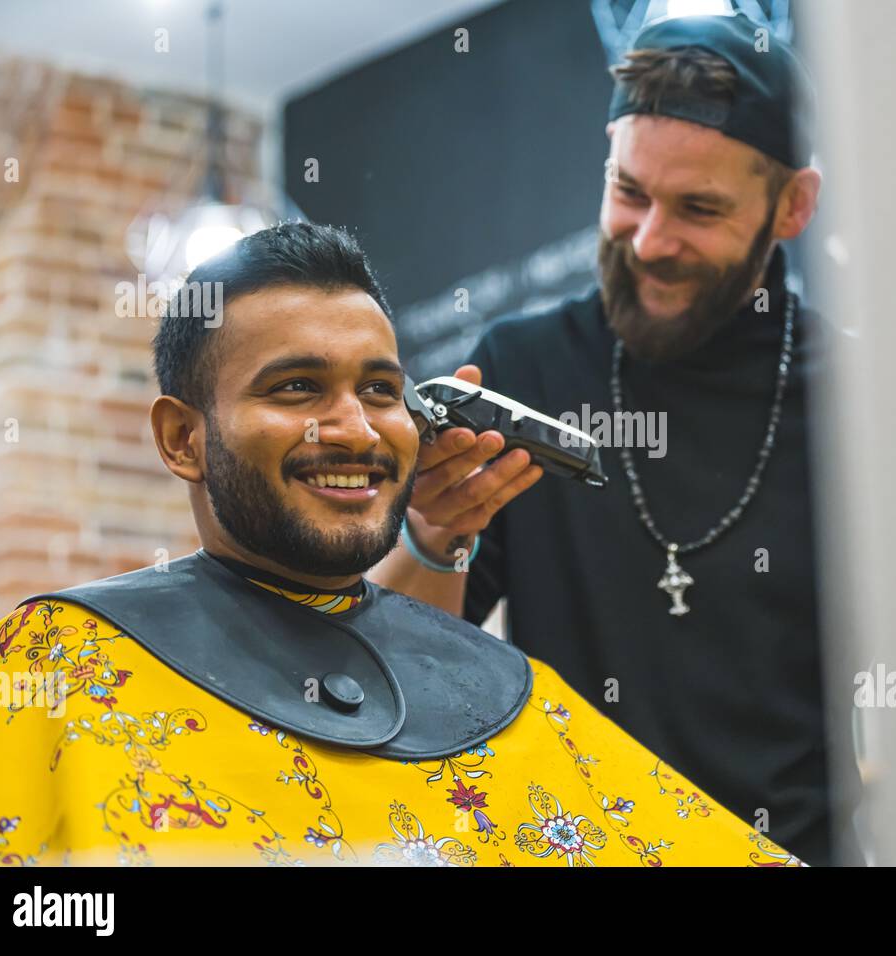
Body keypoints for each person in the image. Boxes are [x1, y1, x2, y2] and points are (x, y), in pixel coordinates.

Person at [0, 222, 802, 867]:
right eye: (296, 388)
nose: (355, 429)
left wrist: (436, 546)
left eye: (380, 389)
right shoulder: (58, 665)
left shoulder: (508, 688)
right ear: (184, 439)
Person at [369, 13, 862, 866]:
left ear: (793, 206)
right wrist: (431, 532)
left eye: (699, 209)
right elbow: (407, 674)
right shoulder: (523, 365)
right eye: (629, 192)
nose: (650, 241)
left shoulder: (853, 404)